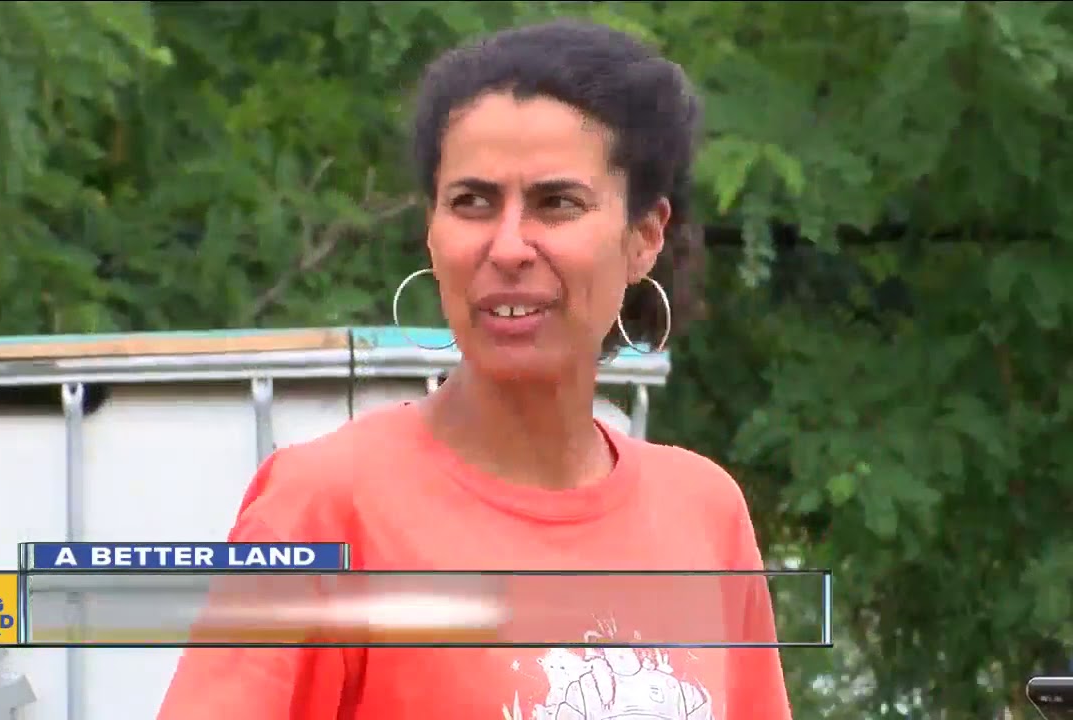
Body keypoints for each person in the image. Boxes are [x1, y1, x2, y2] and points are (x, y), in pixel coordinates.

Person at [157, 19, 792, 720]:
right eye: (472, 202)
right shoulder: (324, 511)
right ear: (431, 230)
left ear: (645, 237)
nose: (509, 245)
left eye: (557, 203)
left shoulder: (704, 513)